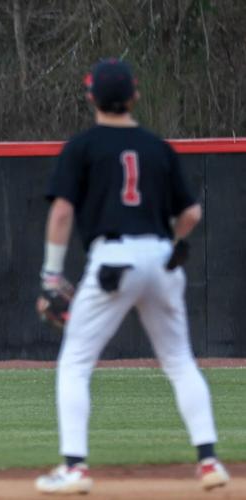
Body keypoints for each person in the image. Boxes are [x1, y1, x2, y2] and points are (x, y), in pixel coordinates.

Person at [34, 59, 229, 494]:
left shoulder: (83, 147)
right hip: (161, 258)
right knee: (180, 362)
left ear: (90, 98)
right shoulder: (158, 147)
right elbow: (192, 214)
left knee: (76, 363)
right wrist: (172, 241)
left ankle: (75, 469)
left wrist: (51, 275)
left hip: (113, 259)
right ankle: (209, 461)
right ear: (135, 96)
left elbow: (63, 211)